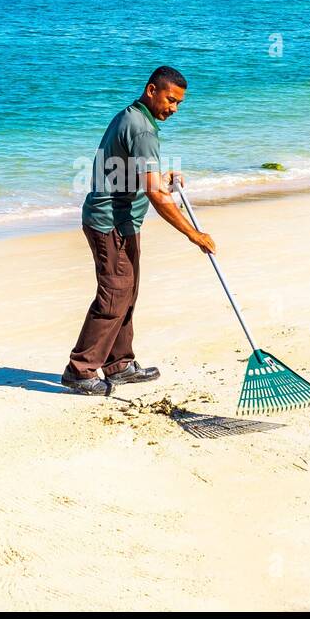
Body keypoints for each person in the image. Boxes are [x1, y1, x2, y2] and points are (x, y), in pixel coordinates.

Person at [62, 66, 217, 395]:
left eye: (178, 104)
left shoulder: (132, 118)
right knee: (114, 293)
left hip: (123, 221)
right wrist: (195, 235)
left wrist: (164, 178)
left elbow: (136, 176)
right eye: (170, 100)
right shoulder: (142, 129)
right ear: (152, 90)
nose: (173, 109)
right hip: (110, 223)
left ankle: (119, 364)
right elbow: (156, 196)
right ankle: (80, 370)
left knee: (127, 291)